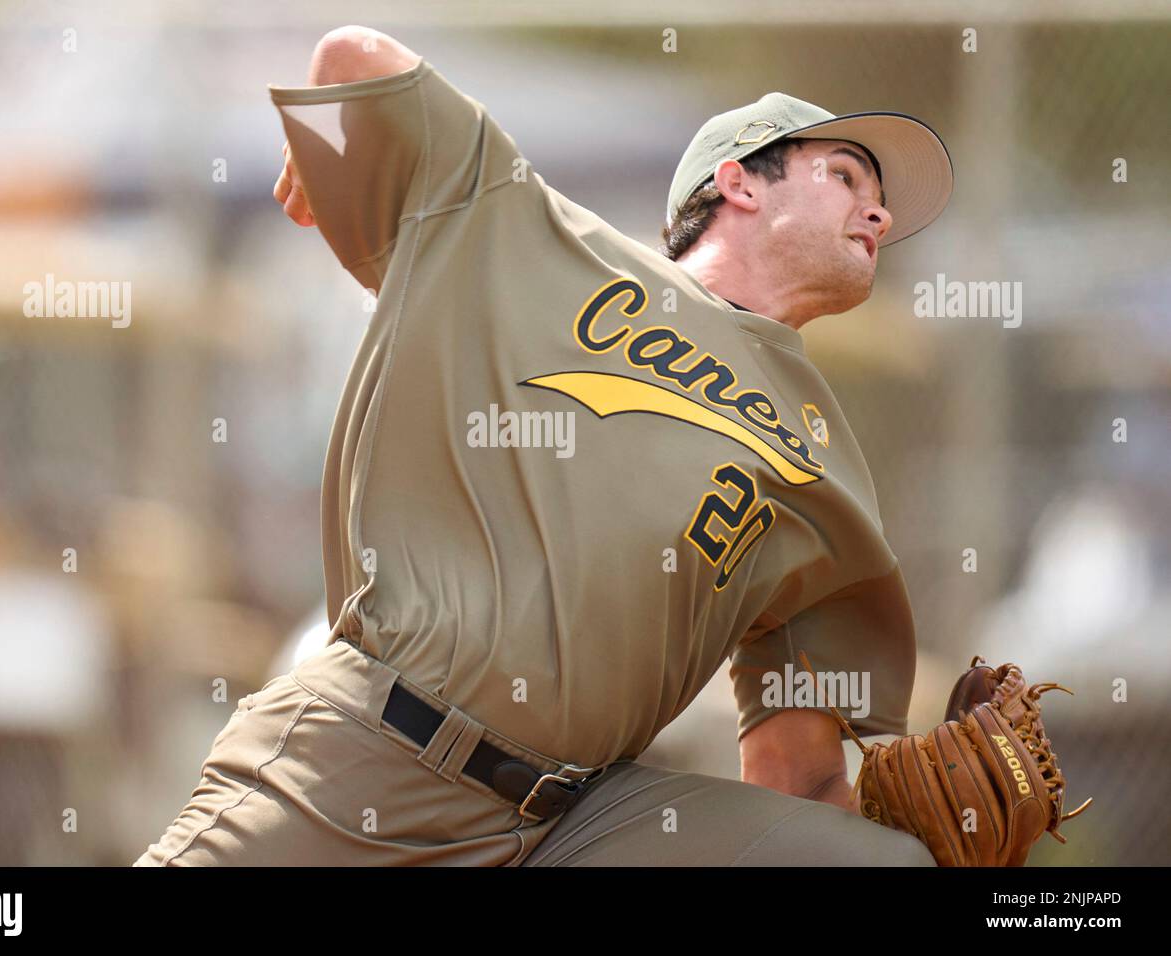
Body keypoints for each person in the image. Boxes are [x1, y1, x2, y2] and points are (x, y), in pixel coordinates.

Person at [136, 24, 953, 866]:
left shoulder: (824, 460)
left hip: (573, 826)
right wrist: (330, 150)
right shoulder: (550, 246)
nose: (880, 212)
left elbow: (798, 773)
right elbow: (352, 61)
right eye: (846, 175)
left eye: (879, 197)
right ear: (738, 181)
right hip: (364, 762)